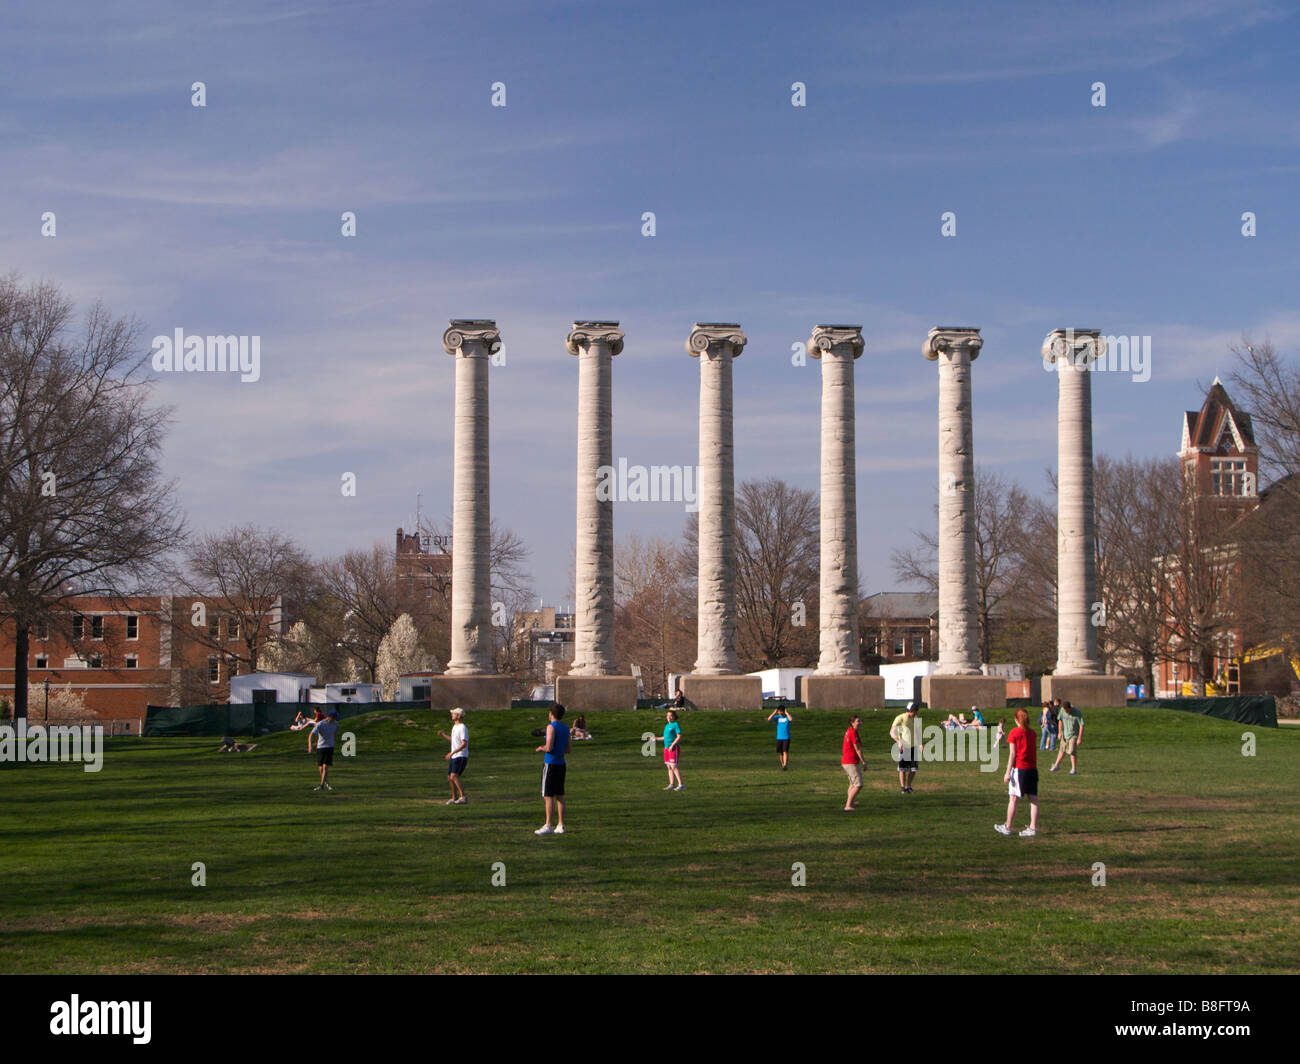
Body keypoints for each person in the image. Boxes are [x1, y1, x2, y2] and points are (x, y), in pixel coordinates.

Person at [995, 707, 1039, 837]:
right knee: (1034, 799)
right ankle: (1033, 827)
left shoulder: (1014, 732)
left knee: (1013, 798)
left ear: (1016, 719)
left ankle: (1008, 827)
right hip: (1032, 769)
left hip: (1020, 769)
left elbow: (1012, 754)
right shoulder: (1032, 733)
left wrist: (1007, 772)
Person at [534, 703, 570, 835]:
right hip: (561, 764)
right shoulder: (566, 728)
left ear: (551, 714)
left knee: (548, 795)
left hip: (550, 764)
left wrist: (540, 748)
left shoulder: (551, 727)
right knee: (560, 795)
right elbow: (568, 749)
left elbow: (548, 748)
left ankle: (548, 824)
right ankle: (561, 824)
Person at [438, 707, 469, 805]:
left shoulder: (462, 727)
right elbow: (454, 740)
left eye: (454, 714)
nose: (452, 715)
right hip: (454, 756)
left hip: (461, 756)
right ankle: (454, 798)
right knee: (449, 777)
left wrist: (452, 753)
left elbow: (464, 744)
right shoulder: (454, 727)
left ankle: (463, 797)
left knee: (454, 776)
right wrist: (443, 735)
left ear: (458, 716)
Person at [889, 702, 920, 794]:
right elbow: (891, 732)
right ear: (910, 710)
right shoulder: (900, 718)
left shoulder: (916, 718)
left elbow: (917, 732)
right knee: (903, 769)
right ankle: (903, 788)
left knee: (914, 769)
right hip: (904, 747)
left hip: (914, 746)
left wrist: (920, 743)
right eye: (915, 711)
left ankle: (909, 786)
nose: (916, 713)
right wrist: (899, 742)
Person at [652, 710, 684, 791]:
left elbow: (679, 736)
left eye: (670, 715)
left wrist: (672, 745)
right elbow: (665, 737)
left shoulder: (676, 724)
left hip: (673, 748)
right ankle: (672, 784)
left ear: (674, 717)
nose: (668, 717)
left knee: (674, 766)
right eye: (667, 715)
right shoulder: (666, 726)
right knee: (669, 766)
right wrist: (656, 739)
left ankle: (681, 785)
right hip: (666, 749)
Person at [310, 709, 340, 792]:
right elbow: (311, 734)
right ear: (330, 717)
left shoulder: (336, 724)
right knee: (321, 768)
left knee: (325, 766)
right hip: (320, 747)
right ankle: (326, 782)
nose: (335, 720)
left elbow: (334, 734)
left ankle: (321, 785)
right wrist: (310, 745)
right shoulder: (321, 724)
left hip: (329, 747)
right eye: (334, 718)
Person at [1051, 701, 1084, 774]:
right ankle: (1056, 765)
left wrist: (1079, 738)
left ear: (1070, 708)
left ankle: (1073, 769)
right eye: (1064, 710)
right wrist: (1059, 732)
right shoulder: (1062, 710)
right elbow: (1060, 720)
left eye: (1067, 710)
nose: (1065, 711)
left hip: (1073, 735)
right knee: (1062, 750)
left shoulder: (1077, 713)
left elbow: (1081, 725)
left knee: (1072, 751)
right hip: (1064, 734)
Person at [841, 715, 864, 811]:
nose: (860, 723)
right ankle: (848, 805)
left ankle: (851, 801)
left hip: (846, 761)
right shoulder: (853, 732)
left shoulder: (850, 731)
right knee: (858, 784)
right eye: (858, 721)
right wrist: (863, 762)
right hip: (850, 762)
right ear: (852, 723)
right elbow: (857, 748)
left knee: (852, 784)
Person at [767, 705, 793, 770]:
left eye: (781, 711)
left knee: (785, 752)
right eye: (779, 711)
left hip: (786, 737)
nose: (780, 712)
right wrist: (774, 712)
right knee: (781, 753)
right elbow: (769, 719)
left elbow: (791, 719)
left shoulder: (787, 717)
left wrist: (787, 713)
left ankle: (785, 765)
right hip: (779, 738)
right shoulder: (777, 717)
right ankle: (782, 765)